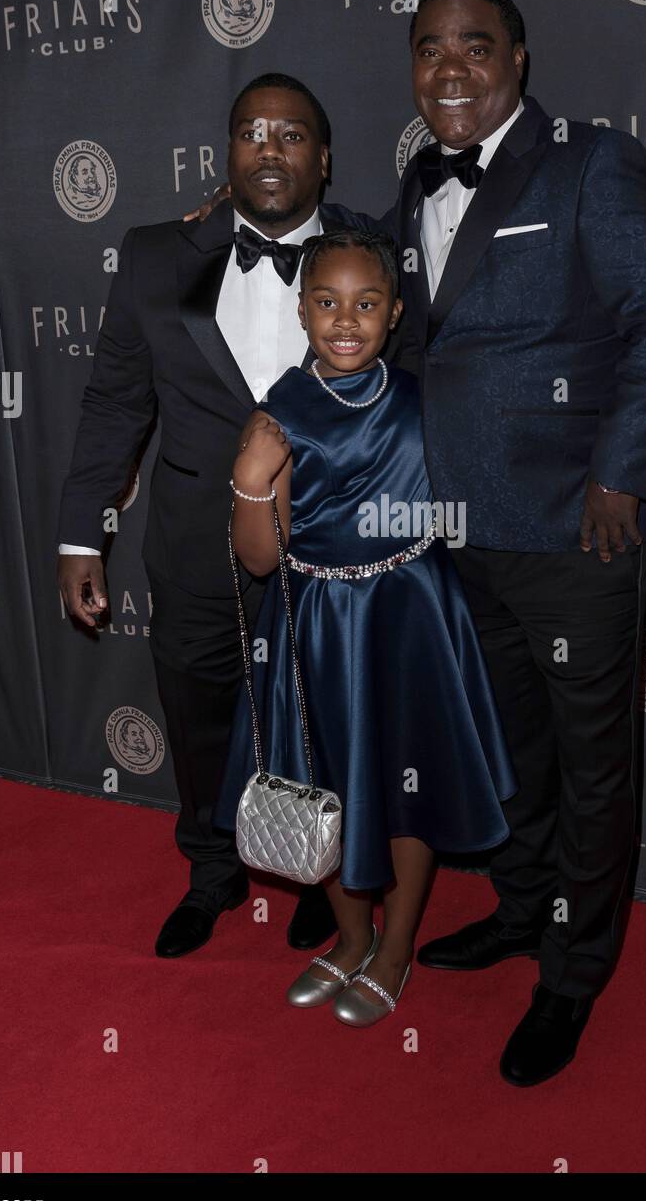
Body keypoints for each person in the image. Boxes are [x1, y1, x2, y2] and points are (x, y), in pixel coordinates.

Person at [387, 0, 646, 1086]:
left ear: (518, 59)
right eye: (429, 50)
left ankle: (571, 973)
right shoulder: (410, 187)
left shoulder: (588, 163)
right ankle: (523, 908)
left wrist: (622, 475)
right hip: (460, 530)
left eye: (473, 47)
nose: (450, 70)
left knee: (586, 761)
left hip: (581, 532)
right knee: (507, 741)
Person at [58, 74, 376, 960]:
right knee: (196, 710)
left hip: (332, 539)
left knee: (325, 713)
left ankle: (326, 875)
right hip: (194, 542)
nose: (269, 151)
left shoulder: (372, 254)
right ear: (226, 150)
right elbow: (115, 404)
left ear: (324, 156)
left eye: (292, 135)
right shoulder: (158, 252)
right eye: (251, 133)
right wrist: (83, 530)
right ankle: (211, 872)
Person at [213, 230, 515, 1026]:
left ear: (395, 311)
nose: (346, 320)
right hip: (314, 622)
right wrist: (250, 481)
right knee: (325, 781)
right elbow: (257, 560)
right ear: (303, 307)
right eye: (327, 302)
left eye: (367, 304)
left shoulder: (425, 400)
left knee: (405, 783)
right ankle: (349, 937)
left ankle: (396, 947)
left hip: (409, 617)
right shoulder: (280, 408)